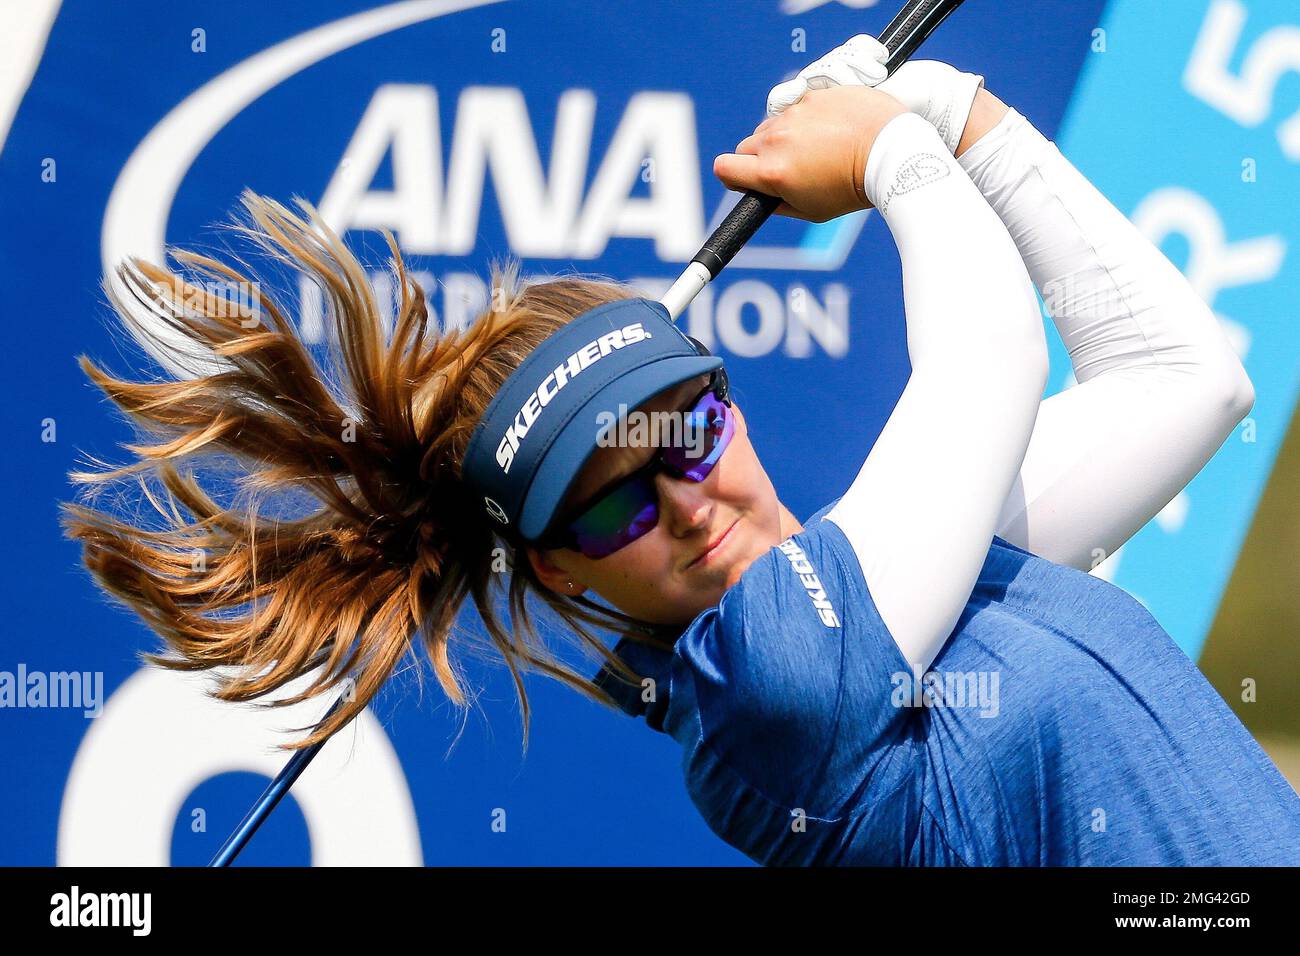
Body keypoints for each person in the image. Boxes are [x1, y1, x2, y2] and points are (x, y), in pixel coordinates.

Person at [64, 36, 1300, 866]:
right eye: (610, 512)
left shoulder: (911, 574)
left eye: (685, 434)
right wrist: (888, 152)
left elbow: (1183, 377)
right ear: (557, 571)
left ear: (728, 406)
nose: (686, 504)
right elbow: (990, 360)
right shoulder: (769, 693)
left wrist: (952, 109)